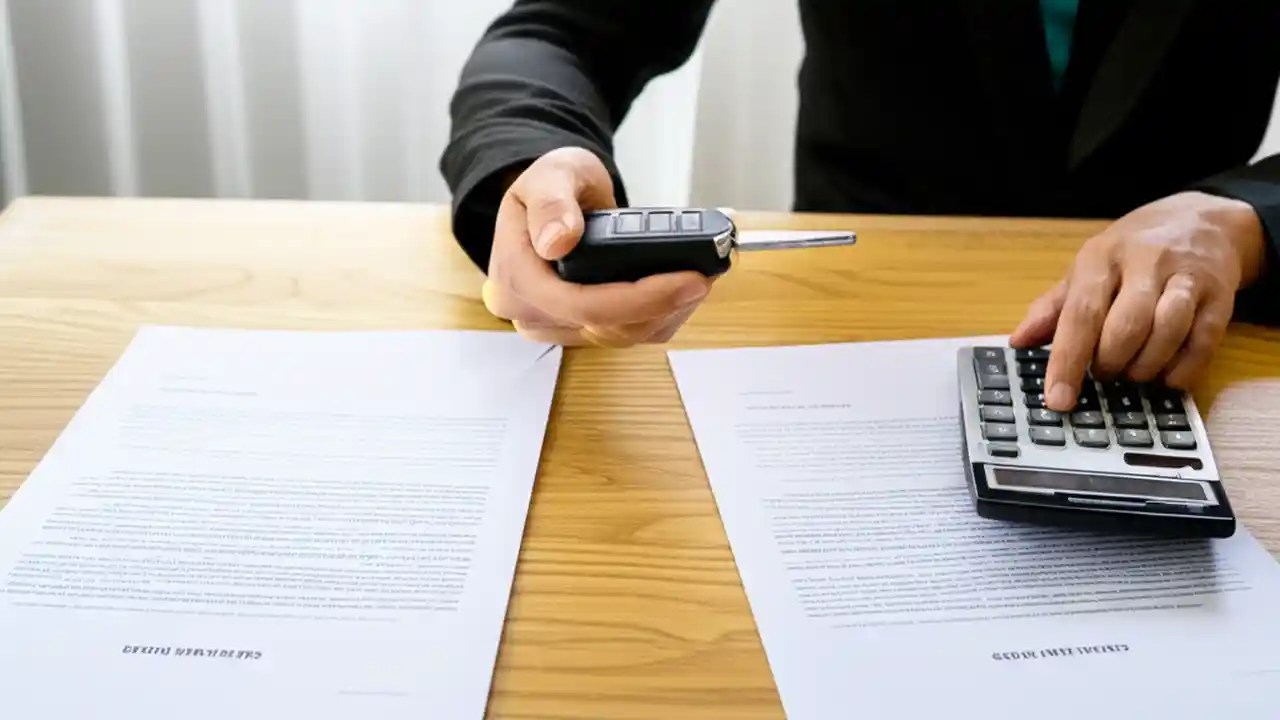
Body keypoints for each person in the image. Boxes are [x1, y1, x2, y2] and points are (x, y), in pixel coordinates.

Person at [440, 1, 1280, 412]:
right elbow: (557, 33)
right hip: (843, 330)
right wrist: (530, 162)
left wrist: (1242, 220)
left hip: (1192, 353)